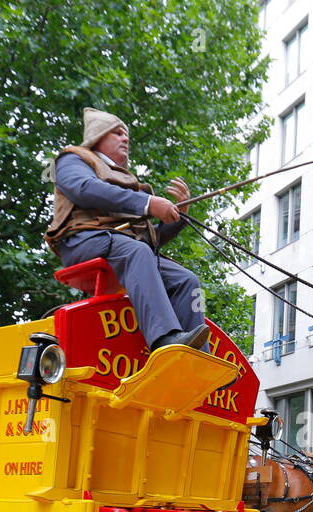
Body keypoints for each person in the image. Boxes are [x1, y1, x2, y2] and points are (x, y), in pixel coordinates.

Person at [45, 107, 208, 353]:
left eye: (126, 135)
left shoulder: (127, 181)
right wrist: (148, 203)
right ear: (98, 135)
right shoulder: (71, 159)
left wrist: (178, 217)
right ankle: (165, 339)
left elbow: (151, 239)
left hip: (123, 248)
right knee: (137, 252)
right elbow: (84, 189)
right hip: (82, 242)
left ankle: (198, 357)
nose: (125, 139)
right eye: (118, 133)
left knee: (186, 279)